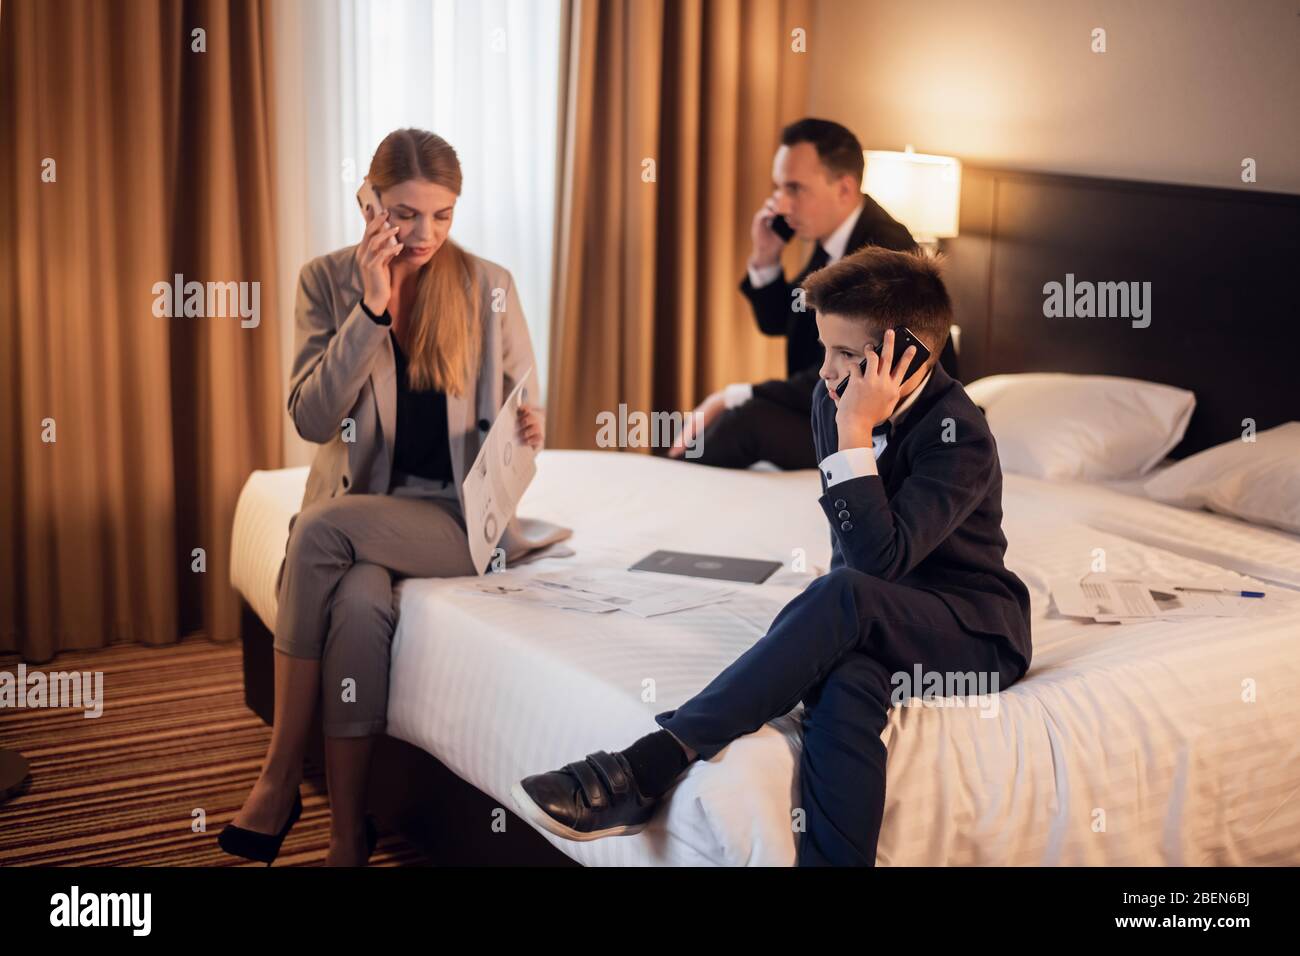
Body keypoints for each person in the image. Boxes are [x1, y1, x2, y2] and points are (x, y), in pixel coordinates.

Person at [513, 247, 1031, 866]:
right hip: (876, 614)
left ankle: (648, 764)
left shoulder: (960, 434)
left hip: (970, 631)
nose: (825, 370)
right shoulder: (830, 399)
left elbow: (874, 566)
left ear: (907, 355)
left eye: (845, 354)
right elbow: (851, 556)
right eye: (825, 348)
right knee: (847, 682)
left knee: (842, 599)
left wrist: (855, 434)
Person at [219, 128, 568, 867]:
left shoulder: (487, 284)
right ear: (370, 203)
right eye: (406, 213)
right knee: (359, 606)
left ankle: (279, 778)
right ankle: (350, 836)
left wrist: (531, 424)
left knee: (315, 533)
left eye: (442, 215)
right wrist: (371, 311)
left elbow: (521, 411)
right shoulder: (326, 282)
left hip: (453, 518)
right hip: (365, 512)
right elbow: (313, 419)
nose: (425, 234)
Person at [668, 118, 916, 469]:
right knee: (737, 418)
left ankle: (666, 481)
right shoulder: (834, 242)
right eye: (779, 189)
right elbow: (780, 322)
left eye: (795, 189)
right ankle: (663, 479)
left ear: (844, 189)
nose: (782, 205)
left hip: (884, 427)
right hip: (831, 404)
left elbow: (849, 369)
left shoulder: (884, 251)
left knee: (746, 420)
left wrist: (731, 395)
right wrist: (766, 257)